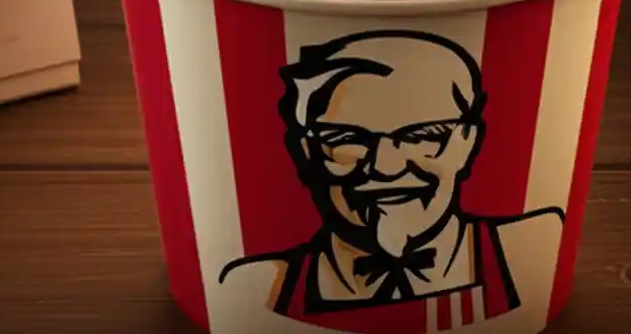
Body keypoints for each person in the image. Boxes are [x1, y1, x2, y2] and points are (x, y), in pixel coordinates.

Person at [219, 30, 564, 323]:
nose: (386, 167)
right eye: (346, 139)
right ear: (307, 152)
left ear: (468, 142)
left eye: (423, 135)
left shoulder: (531, 253)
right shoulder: (259, 288)